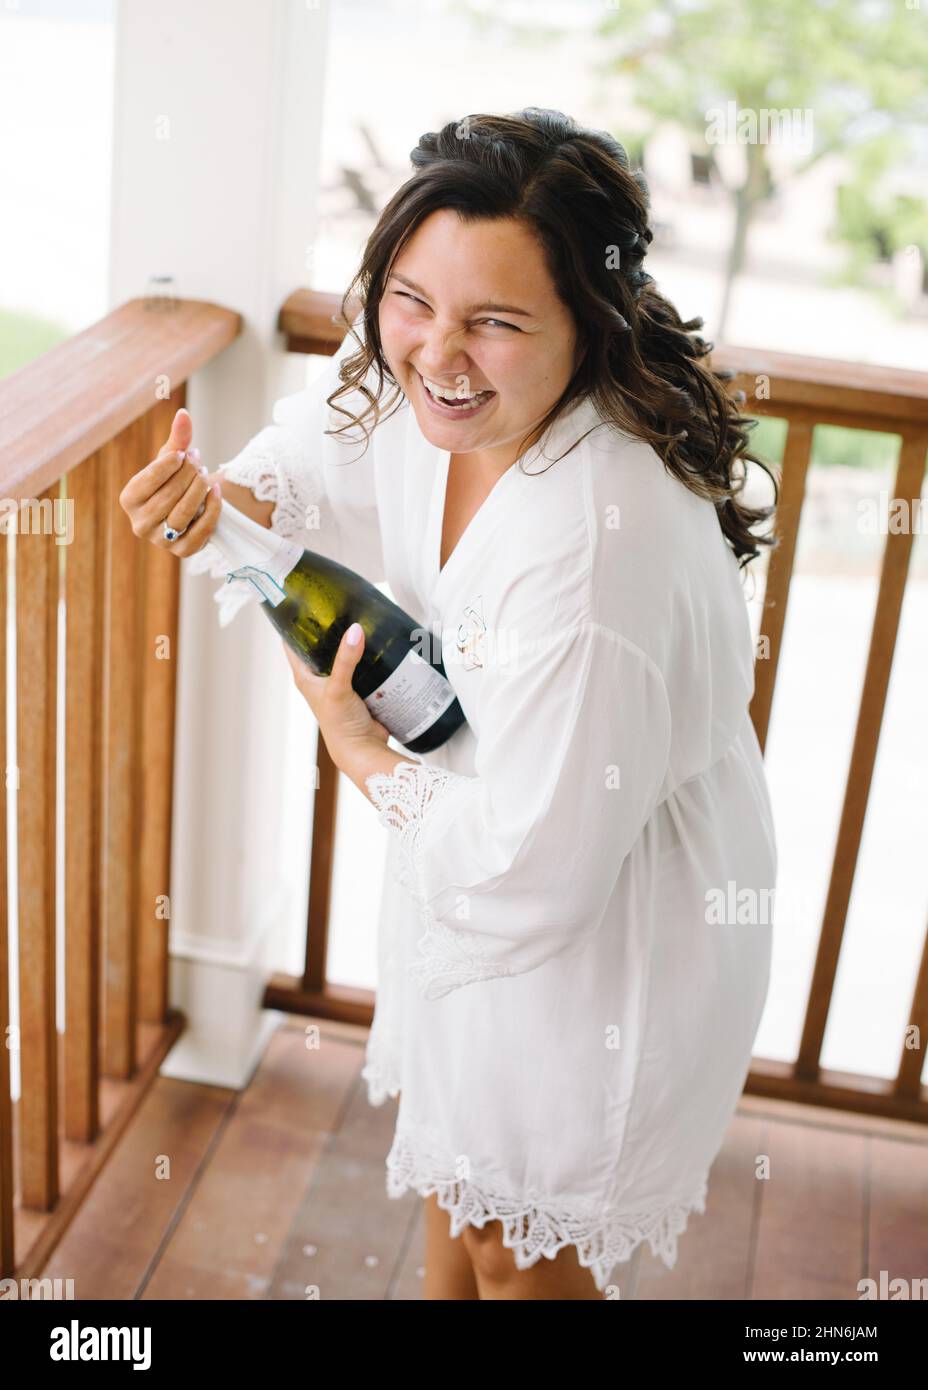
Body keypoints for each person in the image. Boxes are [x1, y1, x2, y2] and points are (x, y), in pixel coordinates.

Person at [120, 107, 779, 1301]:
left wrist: (358, 753)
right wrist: (231, 490)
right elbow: (335, 440)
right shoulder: (432, 379)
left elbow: (538, 871)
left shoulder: (591, 554)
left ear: (588, 318)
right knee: (455, 1181)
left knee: (522, 1253)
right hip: (485, 832)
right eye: (411, 299)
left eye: (496, 321)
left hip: (600, 912)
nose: (435, 352)